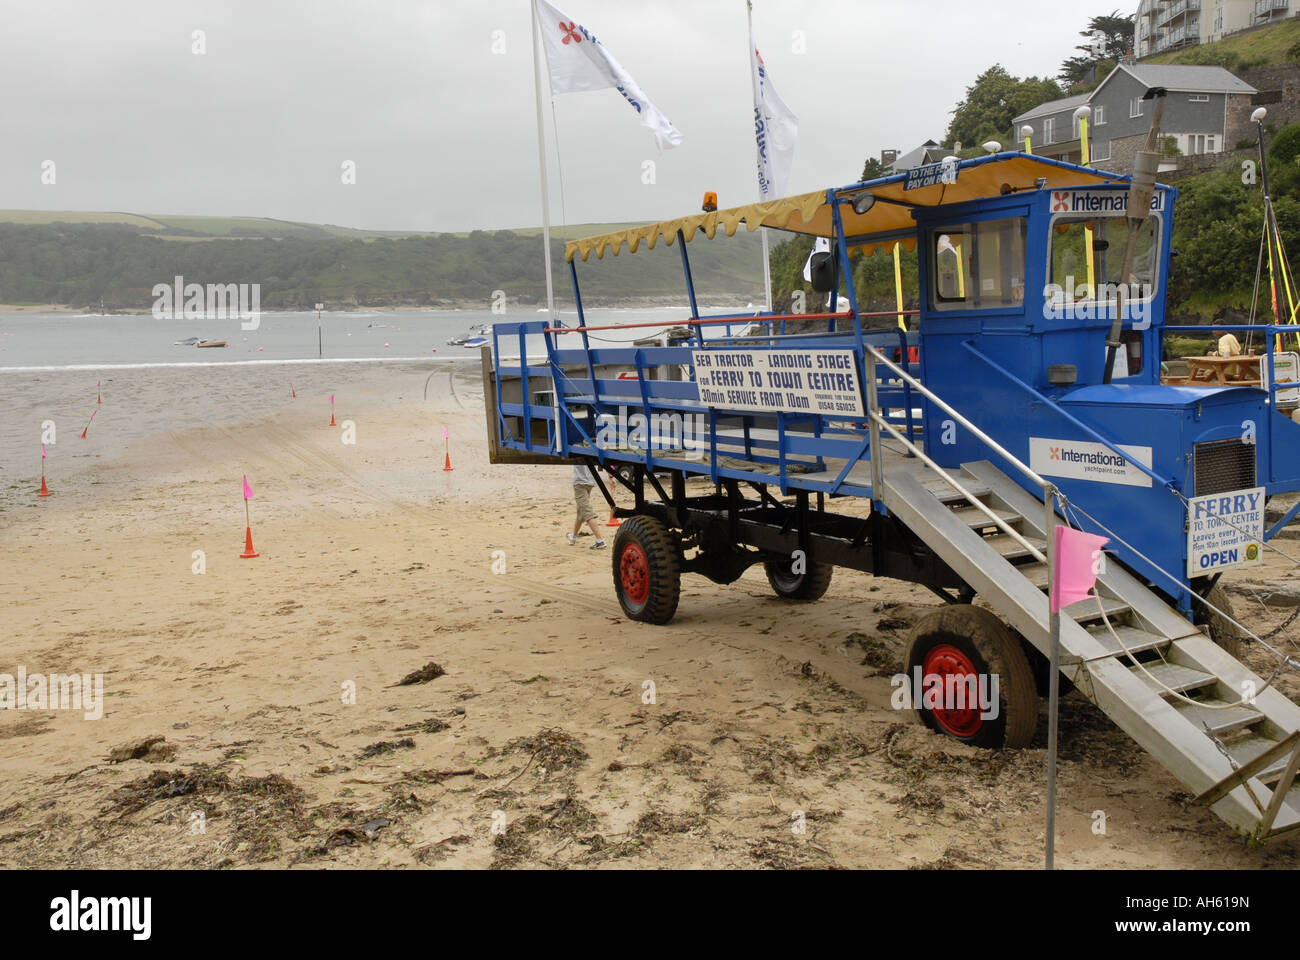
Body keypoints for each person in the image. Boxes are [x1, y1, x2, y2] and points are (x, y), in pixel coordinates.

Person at [568, 464, 606, 549]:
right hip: (590, 482)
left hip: (580, 483)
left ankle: (600, 540)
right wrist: (611, 477)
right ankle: (573, 536)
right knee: (581, 511)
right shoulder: (591, 450)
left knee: (586, 511)